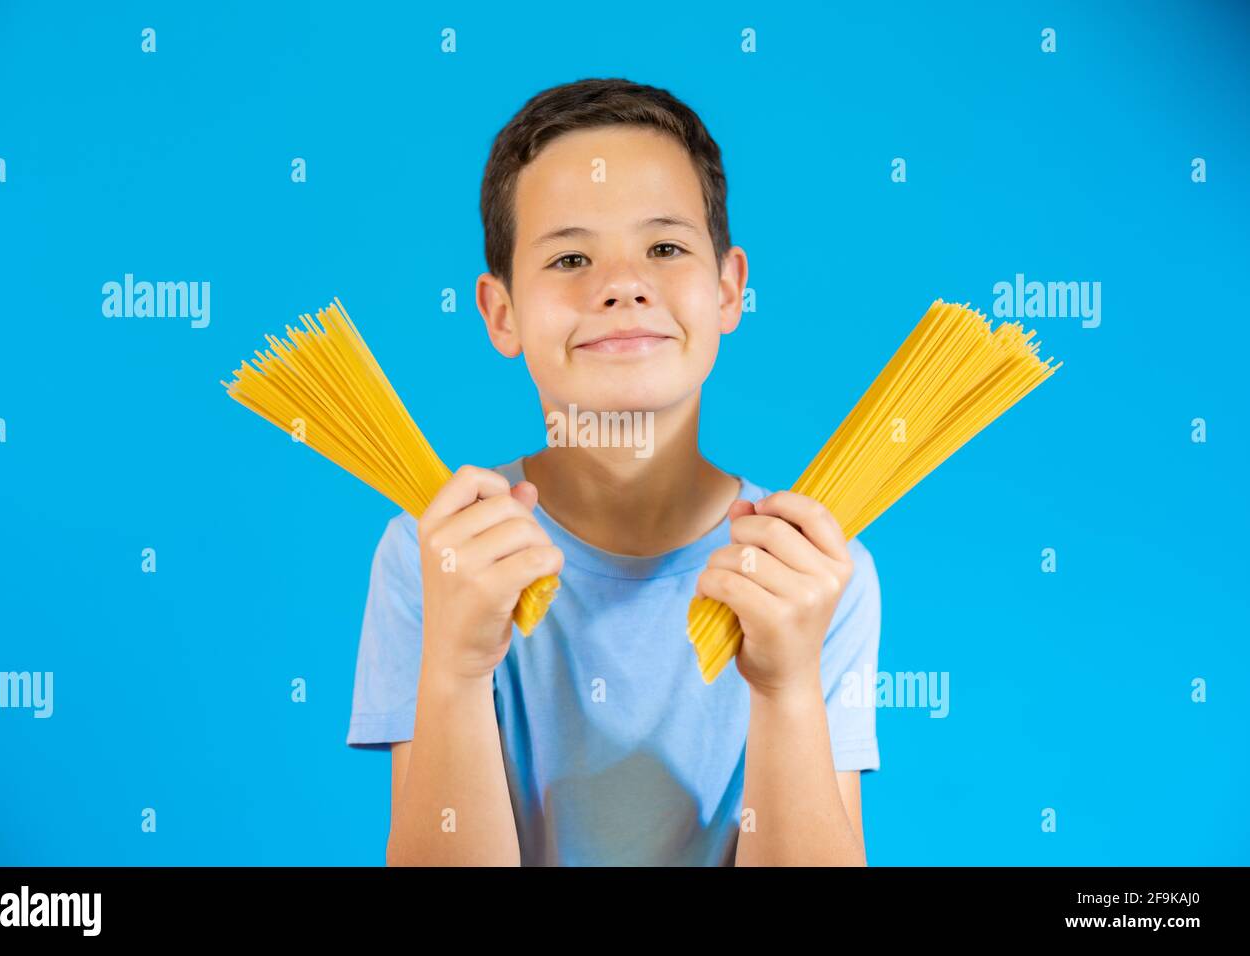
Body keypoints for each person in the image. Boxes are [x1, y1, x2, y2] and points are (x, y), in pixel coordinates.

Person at [347, 78, 881, 866]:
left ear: (731, 288)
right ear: (502, 314)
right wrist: (458, 672)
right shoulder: (435, 555)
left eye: (664, 248)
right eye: (569, 256)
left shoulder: (812, 570)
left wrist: (787, 688)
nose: (622, 285)